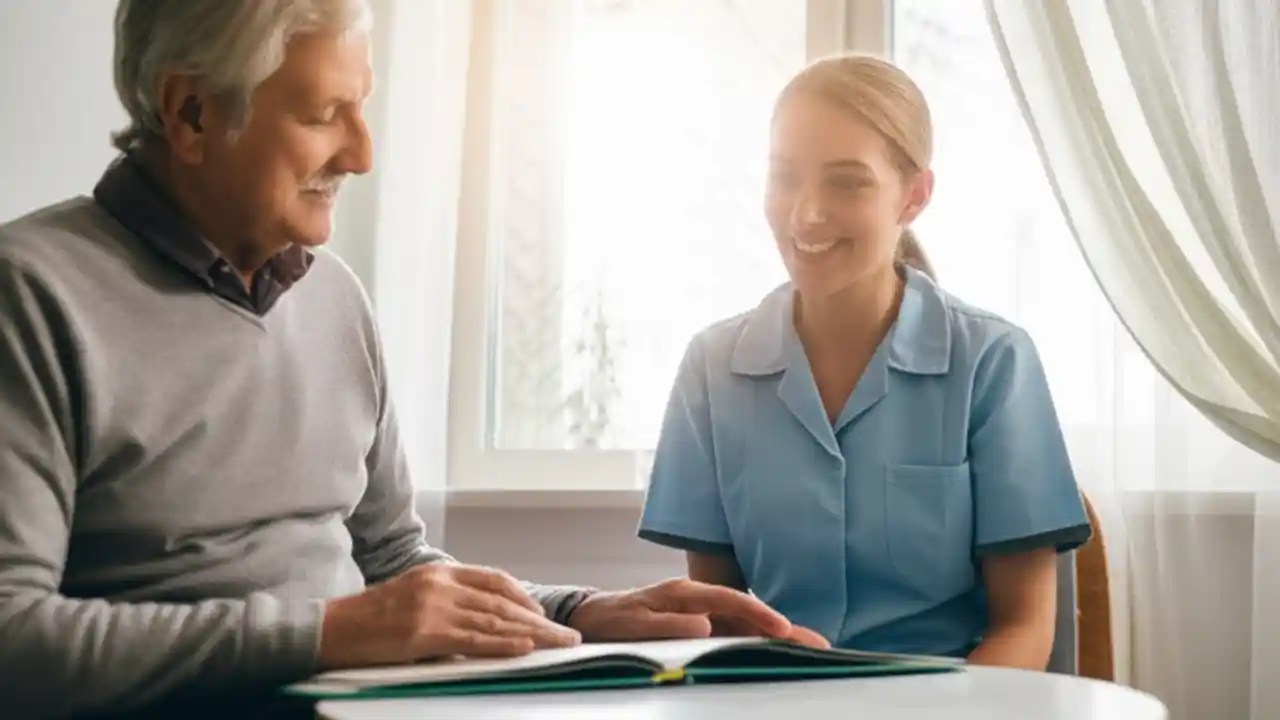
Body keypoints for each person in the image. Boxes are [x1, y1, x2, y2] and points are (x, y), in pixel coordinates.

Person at [0, 2, 819, 716]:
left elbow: (393, 565)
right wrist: (326, 632)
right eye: (325, 114)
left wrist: (580, 613)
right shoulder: (30, 294)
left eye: (363, 110)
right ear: (191, 114)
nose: (361, 154)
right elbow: (13, 638)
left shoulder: (334, 297)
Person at [638, 55, 1092, 670]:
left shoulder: (993, 362)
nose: (806, 213)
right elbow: (718, 620)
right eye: (785, 176)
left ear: (914, 195)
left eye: (847, 182)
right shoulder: (711, 369)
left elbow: (1024, 628)